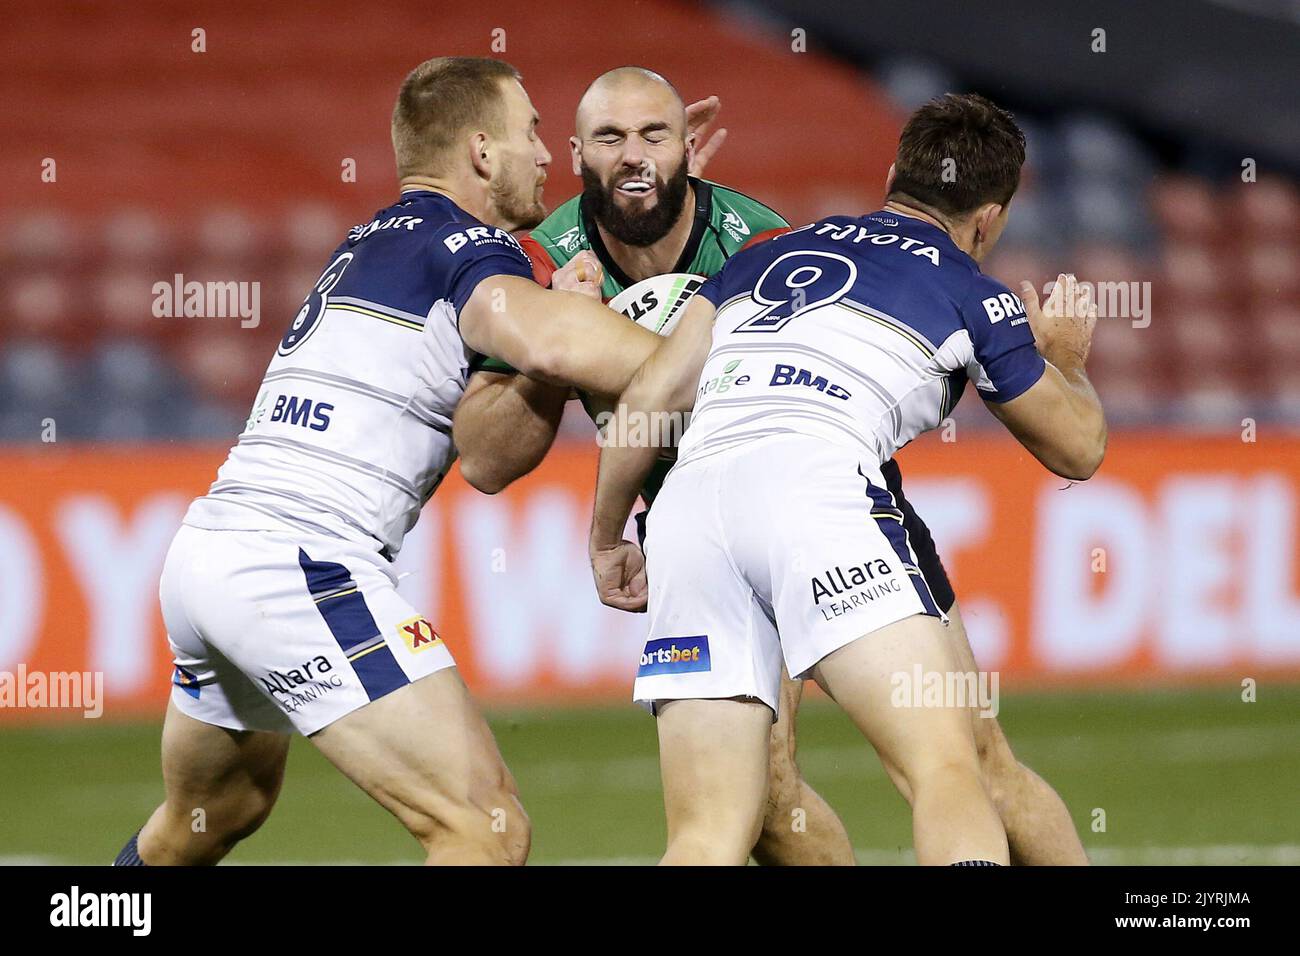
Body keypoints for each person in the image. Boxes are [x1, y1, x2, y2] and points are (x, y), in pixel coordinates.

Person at [458, 74, 1089, 864]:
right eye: (611, 139)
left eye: (655, 136)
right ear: (576, 153)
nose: (635, 158)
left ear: (689, 144)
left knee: (937, 771)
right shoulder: (544, 262)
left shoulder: (760, 239)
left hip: (703, 516)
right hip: (785, 503)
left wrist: (606, 531)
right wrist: (552, 348)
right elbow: (484, 461)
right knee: (899, 775)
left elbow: (659, 389)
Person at [113, 56, 664, 866]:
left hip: (209, 556)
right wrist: (719, 358)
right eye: (532, 133)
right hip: (296, 563)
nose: (550, 155)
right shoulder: (470, 249)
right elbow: (549, 340)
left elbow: (493, 453)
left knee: (213, 810)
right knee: (485, 828)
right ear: (482, 151)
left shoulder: (375, 239)